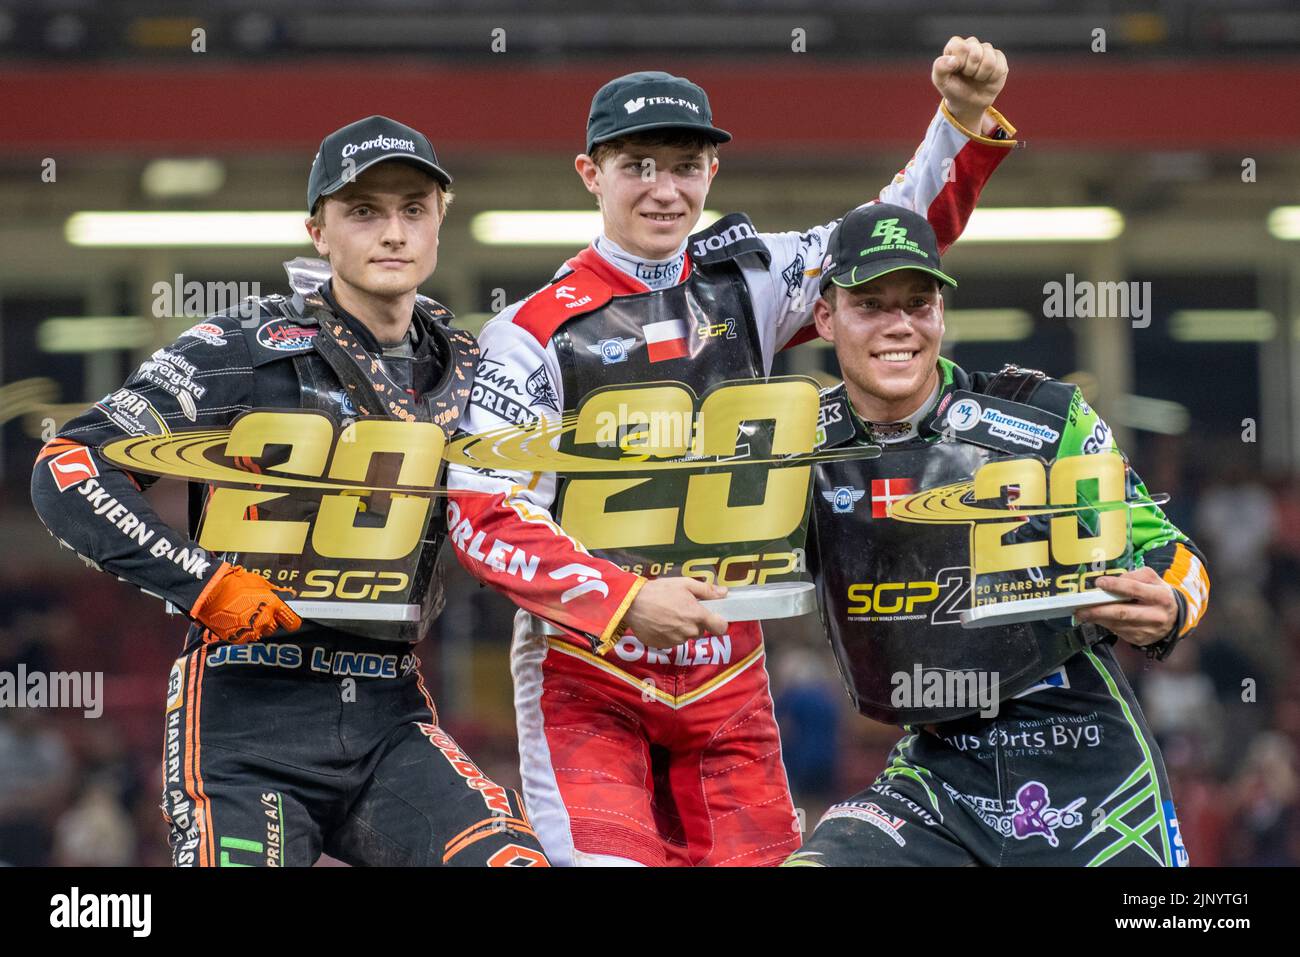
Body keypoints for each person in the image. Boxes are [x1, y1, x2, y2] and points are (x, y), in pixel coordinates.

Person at [447, 38, 1019, 866]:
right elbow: (481, 509)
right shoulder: (531, 333)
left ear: (710, 174)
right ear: (590, 173)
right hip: (587, 674)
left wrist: (958, 119)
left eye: (684, 164)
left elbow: (886, 241)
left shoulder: (750, 277)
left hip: (728, 669)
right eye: (637, 165)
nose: (664, 188)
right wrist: (624, 600)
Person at [30, 115, 547, 867]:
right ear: (318, 231)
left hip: (389, 715)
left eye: (412, 209)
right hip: (244, 720)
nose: (393, 232)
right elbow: (69, 465)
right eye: (363, 212)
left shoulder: (472, 366)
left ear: (441, 219)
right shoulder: (246, 346)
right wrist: (203, 584)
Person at [782, 203, 1211, 866]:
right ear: (825, 318)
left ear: (941, 314)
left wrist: (1172, 603)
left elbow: (1169, 549)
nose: (900, 325)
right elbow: (716, 578)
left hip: (1089, 767)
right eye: (871, 303)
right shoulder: (793, 447)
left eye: (918, 303)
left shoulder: (1042, 422)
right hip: (937, 771)